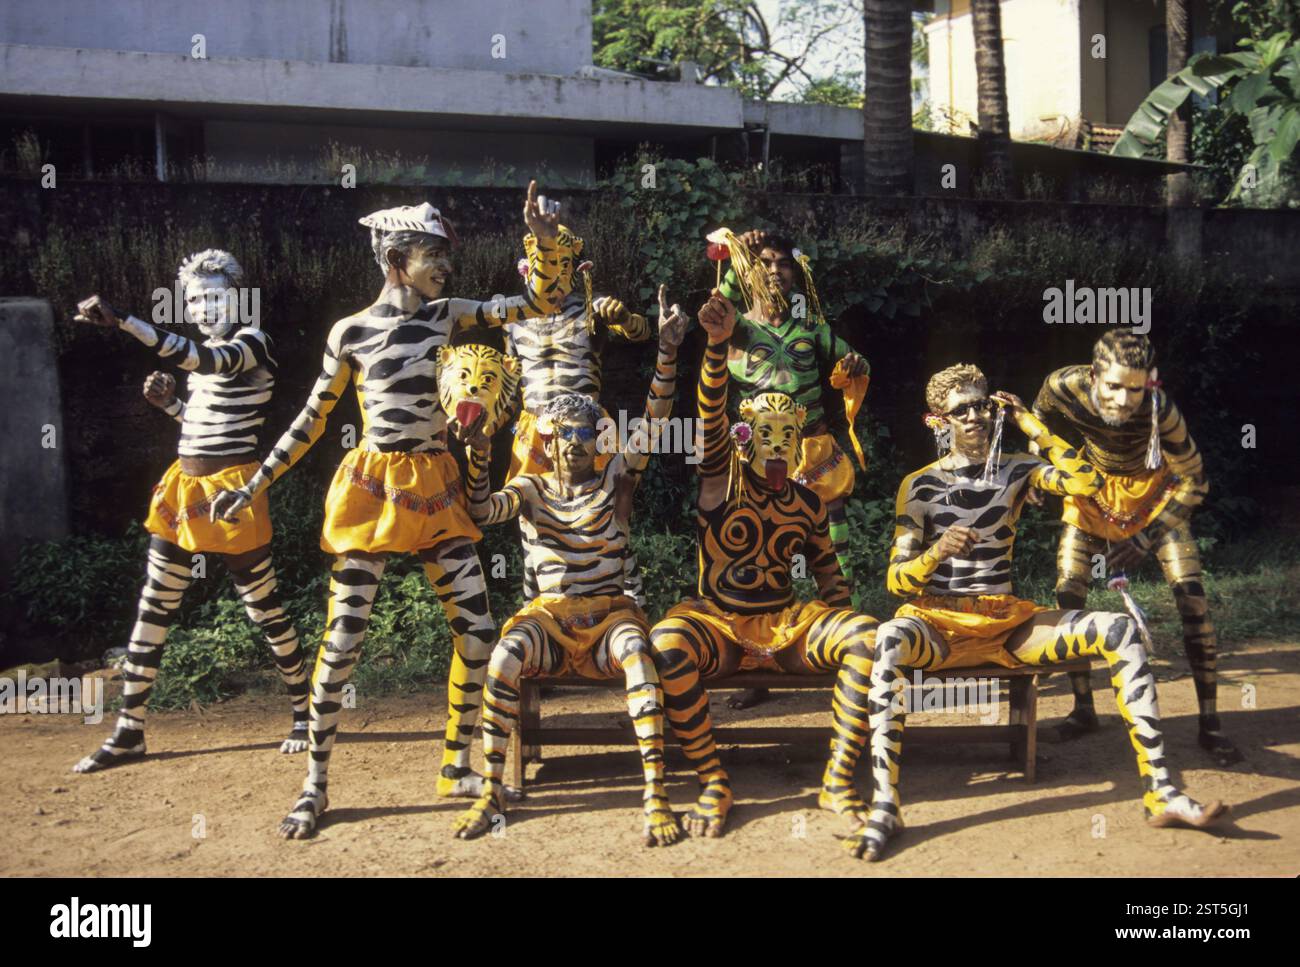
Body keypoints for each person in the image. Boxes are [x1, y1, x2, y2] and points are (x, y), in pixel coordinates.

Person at [210, 183, 576, 837]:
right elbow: (312, 419)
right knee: (344, 639)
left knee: (479, 634)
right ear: (393, 259)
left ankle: (454, 766)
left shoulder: (451, 315)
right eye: (430, 253)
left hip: (438, 486)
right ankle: (315, 785)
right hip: (373, 490)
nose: (443, 265)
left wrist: (545, 245)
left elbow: (536, 303)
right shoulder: (349, 332)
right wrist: (256, 483)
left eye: (444, 253)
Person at [848, 362, 1229, 862]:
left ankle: (1162, 790)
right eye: (962, 410)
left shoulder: (1019, 470)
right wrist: (936, 553)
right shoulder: (919, 487)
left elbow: (1088, 480)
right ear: (937, 420)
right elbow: (896, 580)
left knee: (1118, 629)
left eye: (983, 405)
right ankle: (885, 806)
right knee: (890, 639)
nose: (976, 417)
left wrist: (1031, 424)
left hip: (1006, 623)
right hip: (938, 623)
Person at [451, 284, 687, 847]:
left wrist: (669, 352)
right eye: (565, 436)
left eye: (586, 433)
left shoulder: (616, 478)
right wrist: (479, 455)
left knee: (636, 654)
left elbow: (654, 419)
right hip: (550, 619)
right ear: (548, 442)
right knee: (506, 655)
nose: (576, 444)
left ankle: (655, 794)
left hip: (610, 618)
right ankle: (490, 791)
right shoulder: (529, 488)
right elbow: (483, 512)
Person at [648, 289, 879, 839]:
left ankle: (839, 780)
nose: (777, 448)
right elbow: (708, 413)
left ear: (801, 441)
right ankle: (712, 780)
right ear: (746, 438)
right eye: (766, 436)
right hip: (718, 622)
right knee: (666, 643)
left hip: (785, 623)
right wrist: (716, 346)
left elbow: (830, 579)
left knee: (868, 636)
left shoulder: (807, 502)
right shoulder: (718, 481)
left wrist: (842, 624)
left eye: (788, 436)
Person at [71, 250, 310, 772]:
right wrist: (171, 409)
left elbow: (206, 364)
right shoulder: (204, 355)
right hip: (183, 489)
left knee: (262, 607)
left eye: (215, 296)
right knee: (154, 605)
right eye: (196, 299)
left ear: (240, 297)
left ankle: (304, 710)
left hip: (233, 491)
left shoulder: (253, 344)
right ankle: (129, 732)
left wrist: (126, 322)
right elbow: (205, 427)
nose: (204, 307)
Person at [1032, 331, 1240, 765]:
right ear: (1093, 375)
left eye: (1135, 389)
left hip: (1155, 498)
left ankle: (1210, 725)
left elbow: (1195, 481)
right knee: (1069, 595)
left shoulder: (1161, 412)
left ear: (1151, 382)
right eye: (1113, 387)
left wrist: (1146, 537)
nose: (1125, 400)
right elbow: (1039, 419)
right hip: (1092, 494)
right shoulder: (1062, 386)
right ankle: (1083, 709)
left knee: (1192, 602)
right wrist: (1039, 468)